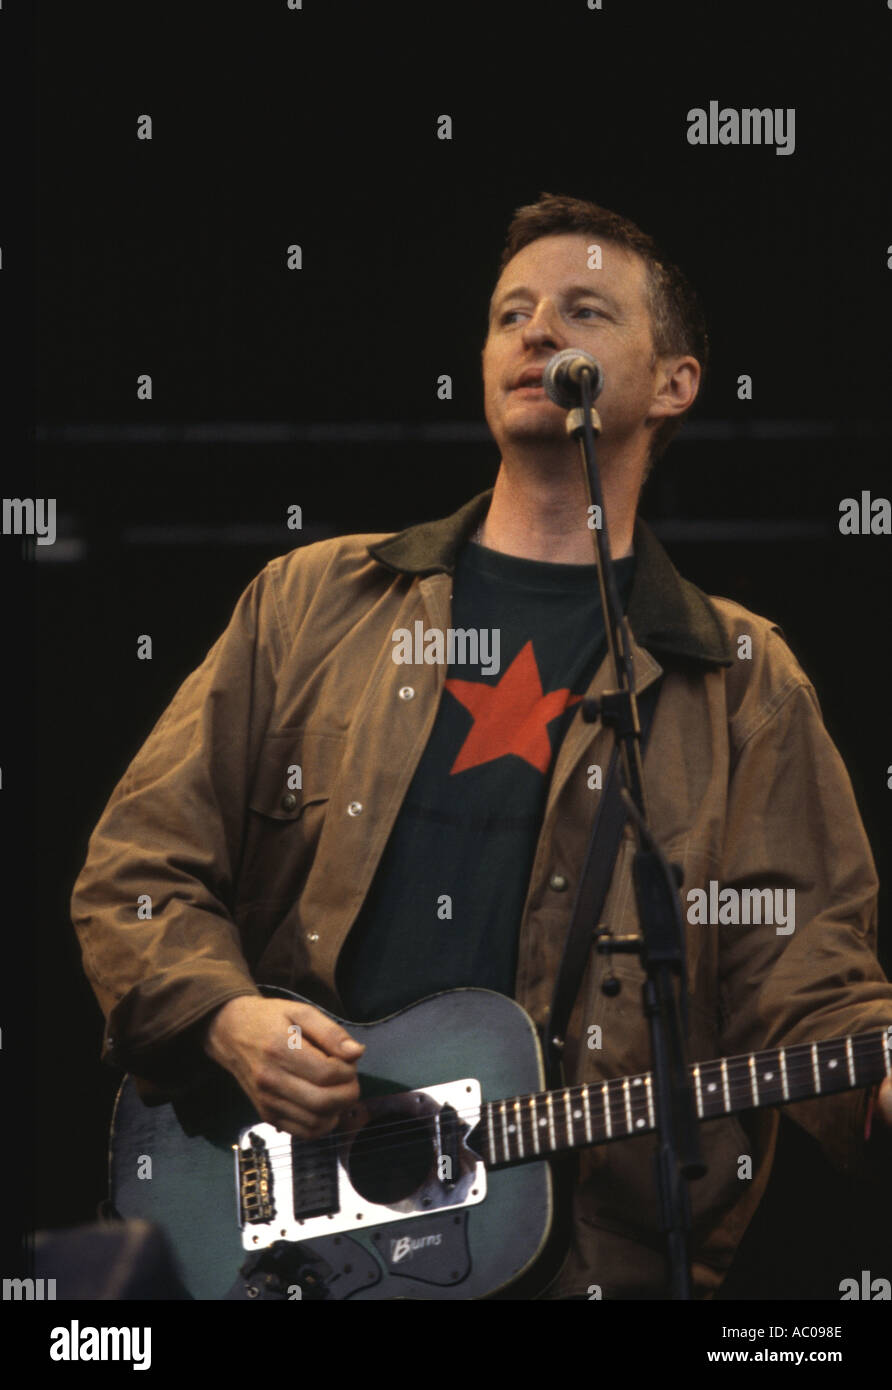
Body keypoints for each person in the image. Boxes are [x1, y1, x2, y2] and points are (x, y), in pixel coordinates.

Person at [70, 192, 892, 1300]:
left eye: (583, 310)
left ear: (673, 383)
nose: (536, 332)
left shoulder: (744, 678)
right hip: (283, 1249)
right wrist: (225, 1019)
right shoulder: (312, 602)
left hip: (592, 1265)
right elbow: (137, 870)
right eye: (512, 312)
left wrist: (877, 1075)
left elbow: (813, 984)